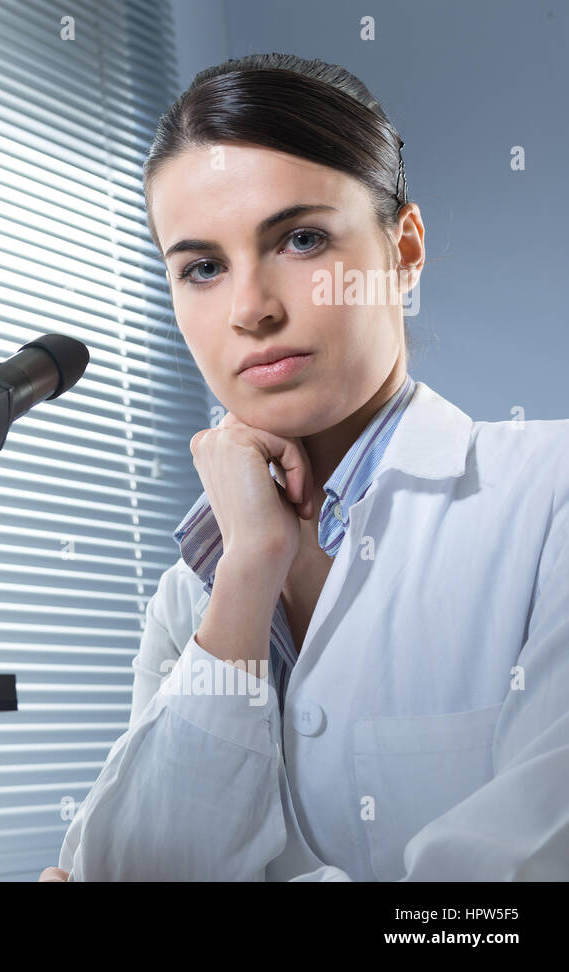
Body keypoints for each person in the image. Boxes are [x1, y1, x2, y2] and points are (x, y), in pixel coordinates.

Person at [40, 53, 569, 881]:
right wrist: (249, 571)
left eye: (302, 239)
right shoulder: (198, 590)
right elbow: (131, 865)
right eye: (202, 267)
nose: (252, 308)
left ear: (405, 250)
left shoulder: (551, 497)